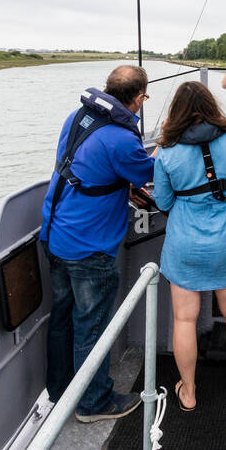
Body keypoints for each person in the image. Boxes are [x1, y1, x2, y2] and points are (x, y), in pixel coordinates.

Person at [39, 65, 154, 421]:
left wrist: (121, 187)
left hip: (57, 233)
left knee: (63, 320)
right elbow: (149, 173)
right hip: (90, 247)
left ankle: (61, 392)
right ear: (138, 99)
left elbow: (90, 168)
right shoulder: (122, 139)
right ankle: (94, 403)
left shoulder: (77, 117)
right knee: (92, 326)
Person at [153, 81, 226, 409]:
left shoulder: (167, 150)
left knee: (184, 319)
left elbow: (163, 199)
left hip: (184, 246)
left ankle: (188, 392)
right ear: (212, 106)